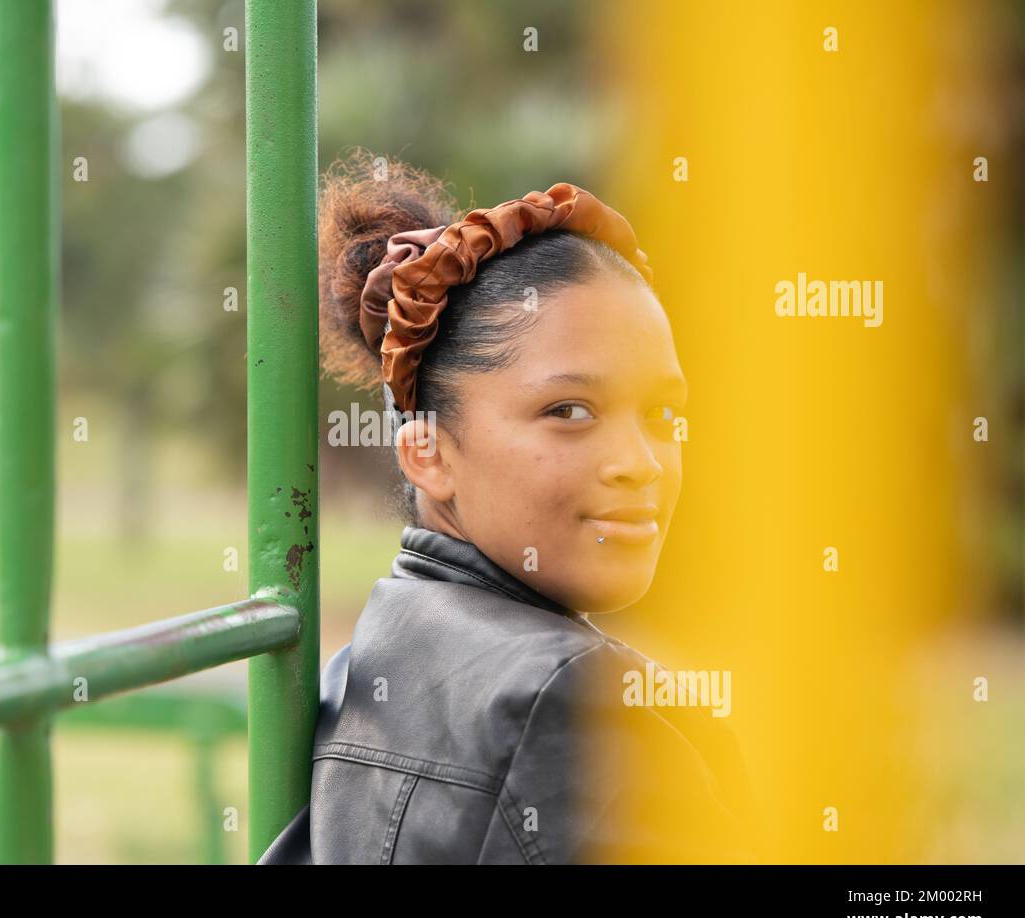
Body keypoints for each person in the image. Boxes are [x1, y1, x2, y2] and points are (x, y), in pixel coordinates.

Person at [259, 149, 761, 864]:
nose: (642, 464)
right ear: (426, 452)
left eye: (662, 413)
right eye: (569, 409)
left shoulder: (365, 666)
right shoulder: (580, 705)